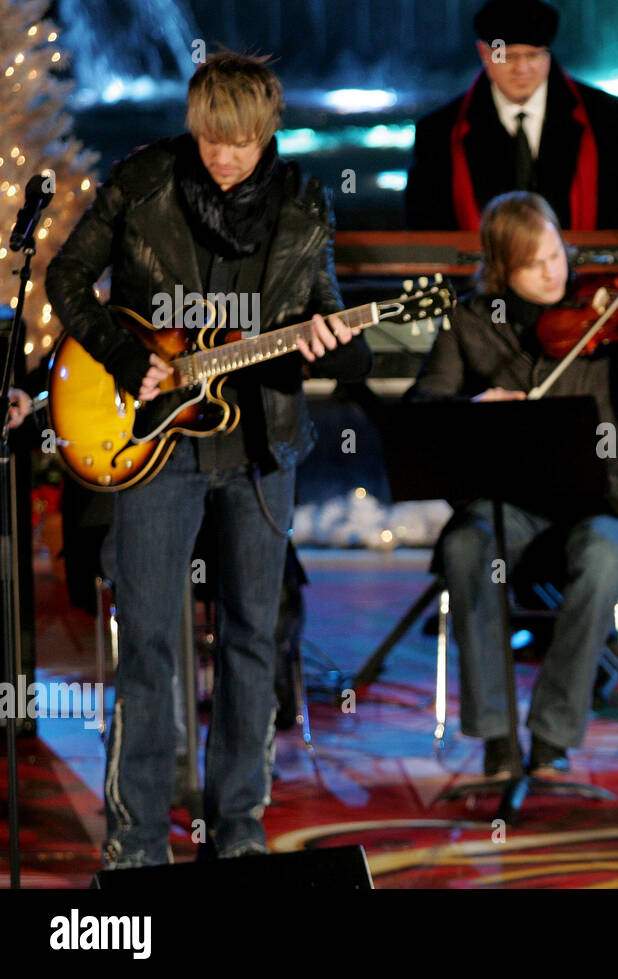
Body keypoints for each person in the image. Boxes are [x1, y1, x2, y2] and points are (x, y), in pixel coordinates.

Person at [47, 53, 372, 867]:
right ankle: (139, 838)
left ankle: (240, 827)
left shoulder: (302, 202)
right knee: (150, 640)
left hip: (260, 442)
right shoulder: (142, 181)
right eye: (210, 138)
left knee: (252, 636)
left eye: (239, 142)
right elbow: (66, 278)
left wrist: (331, 333)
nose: (222, 156)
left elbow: (323, 304)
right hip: (153, 442)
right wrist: (127, 356)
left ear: (269, 133)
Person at [406, 191, 618, 777]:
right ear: (503, 269)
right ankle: (498, 737)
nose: (555, 273)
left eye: (557, 255)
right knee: (464, 546)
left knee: (607, 552)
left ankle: (552, 734)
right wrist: (475, 404)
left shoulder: (603, 317)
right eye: (535, 264)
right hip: (504, 506)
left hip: (592, 503)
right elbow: (425, 407)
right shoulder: (471, 322)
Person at [405, 0, 618, 231]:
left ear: (548, 54)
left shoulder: (611, 118)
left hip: (588, 276)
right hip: (477, 278)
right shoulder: (437, 131)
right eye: (507, 56)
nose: (522, 69)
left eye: (533, 55)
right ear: (484, 53)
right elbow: (422, 219)